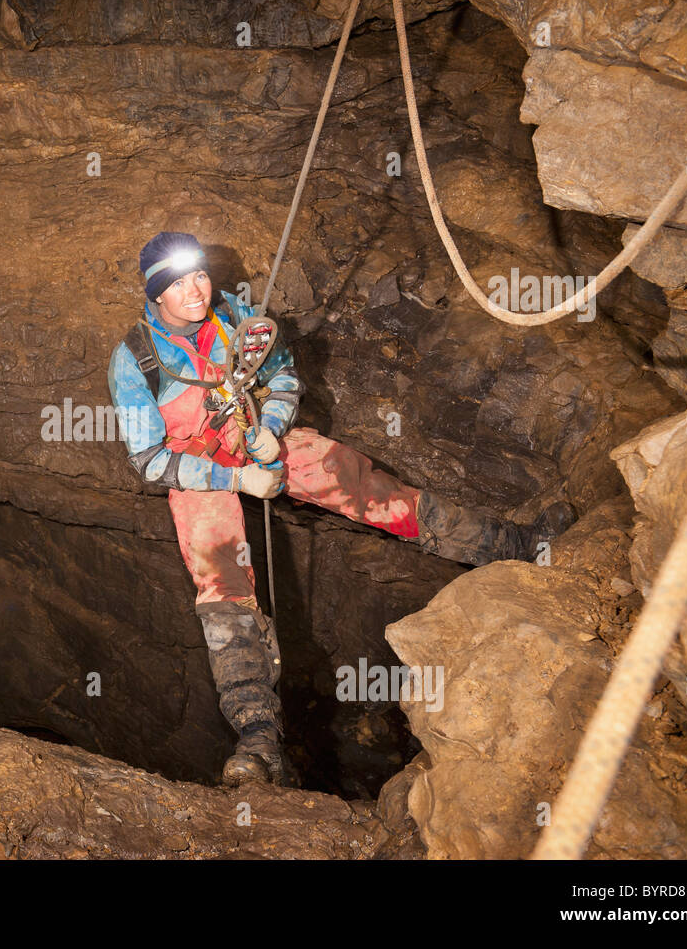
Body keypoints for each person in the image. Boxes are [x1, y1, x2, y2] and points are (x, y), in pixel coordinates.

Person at [107, 231, 573, 787]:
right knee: (223, 585)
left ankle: (512, 545)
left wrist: (273, 432)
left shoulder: (240, 319)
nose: (195, 289)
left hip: (257, 441)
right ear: (156, 292)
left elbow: (281, 378)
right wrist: (235, 476)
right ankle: (258, 742)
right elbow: (149, 461)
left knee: (362, 484)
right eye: (178, 282)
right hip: (201, 473)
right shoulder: (135, 359)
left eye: (200, 275)